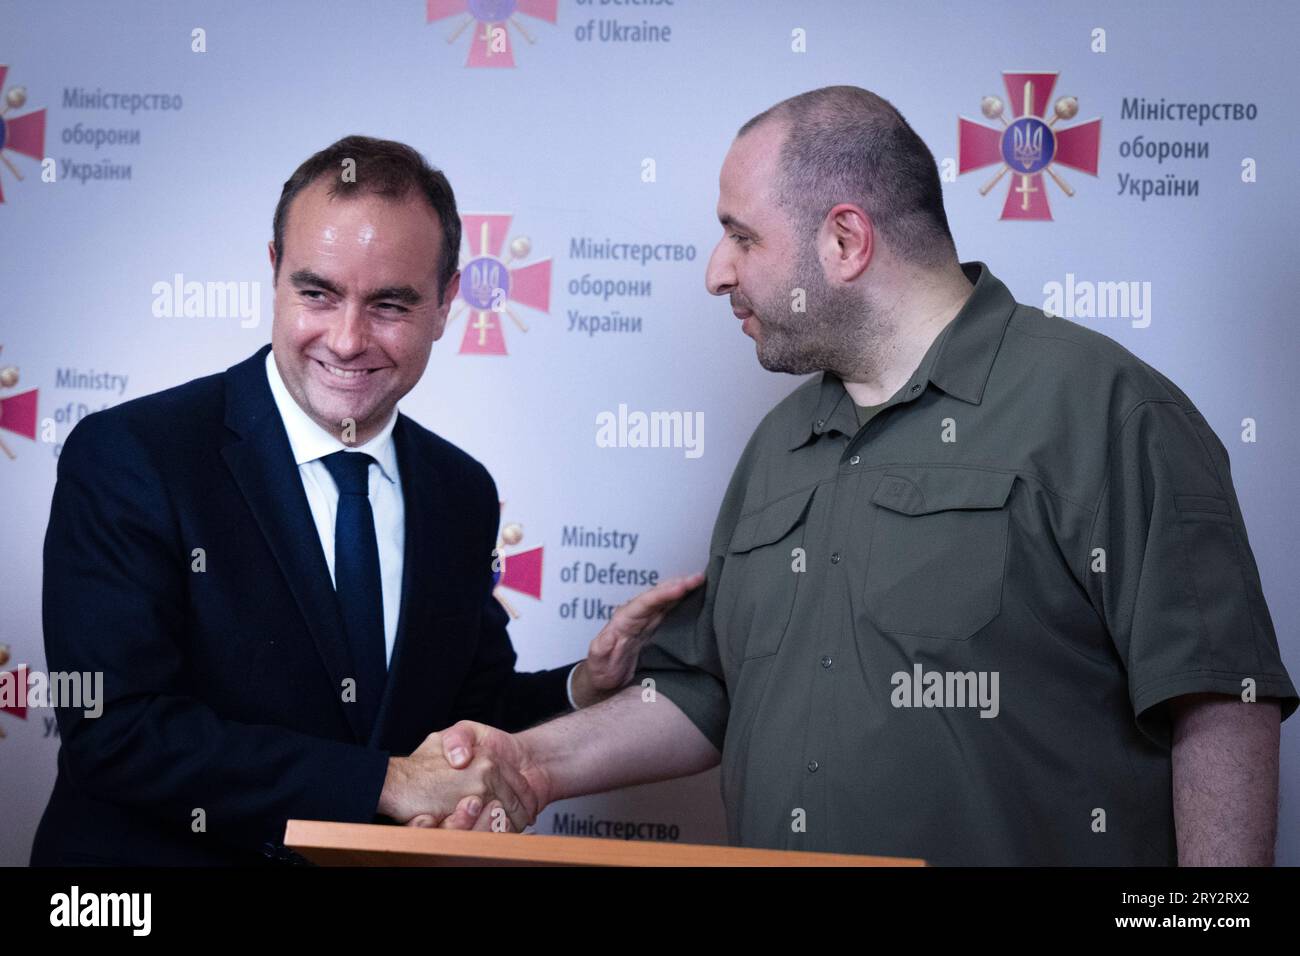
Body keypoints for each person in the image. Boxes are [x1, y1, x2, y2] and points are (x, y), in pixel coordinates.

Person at [418, 87, 1297, 865]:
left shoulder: (1105, 408)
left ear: (845, 240)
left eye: (740, 235)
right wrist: (530, 766)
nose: (716, 270)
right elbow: (705, 691)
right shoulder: (777, 447)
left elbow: (1220, 700)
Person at [30, 135, 699, 866]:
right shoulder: (132, 454)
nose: (347, 340)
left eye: (389, 304)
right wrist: (384, 781)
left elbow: (460, 717)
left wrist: (585, 684)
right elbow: (114, 730)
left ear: (446, 305)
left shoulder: (459, 490)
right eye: (317, 293)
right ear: (274, 273)